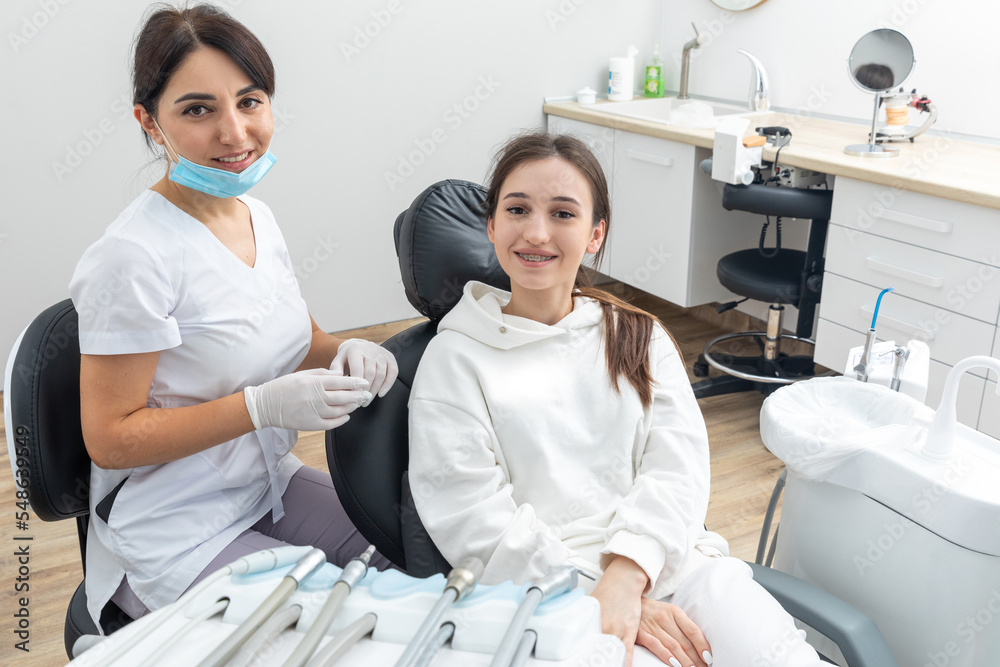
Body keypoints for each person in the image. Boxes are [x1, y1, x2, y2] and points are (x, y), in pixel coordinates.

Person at [407, 133, 825, 666]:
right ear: (491, 226)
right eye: (517, 209)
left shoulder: (636, 334)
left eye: (563, 213)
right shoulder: (454, 360)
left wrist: (629, 577)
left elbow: (679, 469)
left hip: (674, 562)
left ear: (594, 234)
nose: (537, 233)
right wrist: (597, 592)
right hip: (551, 593)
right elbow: (473, 520)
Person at [69, 4, 397, 630]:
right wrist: (261, 407)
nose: (235, 133)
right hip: (173, 524)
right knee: (349, 626)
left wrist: (347, 352)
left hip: (259, 486)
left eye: (250, 102)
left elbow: (295, 340)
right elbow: (110, 438)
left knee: (412, 557)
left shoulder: (255, 216)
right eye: (198, 110)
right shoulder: (132, 257)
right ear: (149, 122)